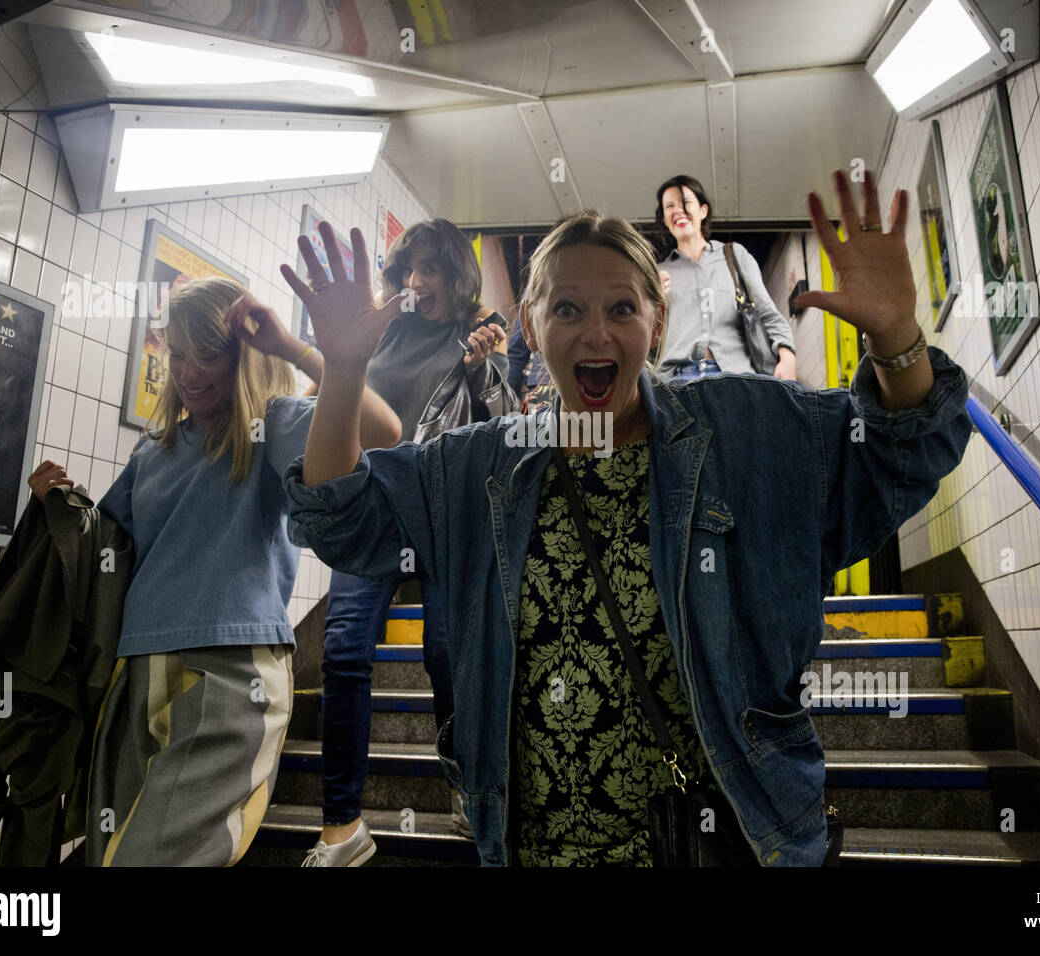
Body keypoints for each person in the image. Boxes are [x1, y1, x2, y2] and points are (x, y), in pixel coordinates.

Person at [281, 170, 972, 866]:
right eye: (567, 310)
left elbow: (901, 454)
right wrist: (342, 371)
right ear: (529, 323)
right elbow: (340, 520)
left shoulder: (746, 431)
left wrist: (897, 337)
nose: (595, 335)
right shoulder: (476, 469)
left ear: (657, 322)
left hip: (723, 844)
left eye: (620, 309)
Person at [28, 275, 401, 866]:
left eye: (209, 353)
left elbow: (383, 430)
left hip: (232, 672)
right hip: (135, 670)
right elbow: (101, 549)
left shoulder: (274, 428)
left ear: (245, 359)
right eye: (177, 353)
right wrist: (54, 504)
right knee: (111, 852)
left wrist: (296, 349)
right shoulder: (152, 451)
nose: (190, 371)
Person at [302, 219, 511, 867]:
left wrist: (483, 367)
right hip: (376, 504)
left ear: (457, 275)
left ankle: (467, 791)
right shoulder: (381, 327)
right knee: (342, 650)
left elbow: (505, 426)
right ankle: (341, 823)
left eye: (433, 270)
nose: (419, 283)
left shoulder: (481, 331)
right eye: (409, 270)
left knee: (448, 650)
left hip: (447, 506)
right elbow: (328, 398)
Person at [655, 174, 797, 381]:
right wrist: (650, 298)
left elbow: (768, 311)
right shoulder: (657, 273)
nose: (678, 210)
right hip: (677, 383)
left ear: (703, 210)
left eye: (685, 202)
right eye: (669, 206)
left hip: (737, 378)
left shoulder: (733, 256)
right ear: (664, 220)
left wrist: (787, 358)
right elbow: (644, 334)